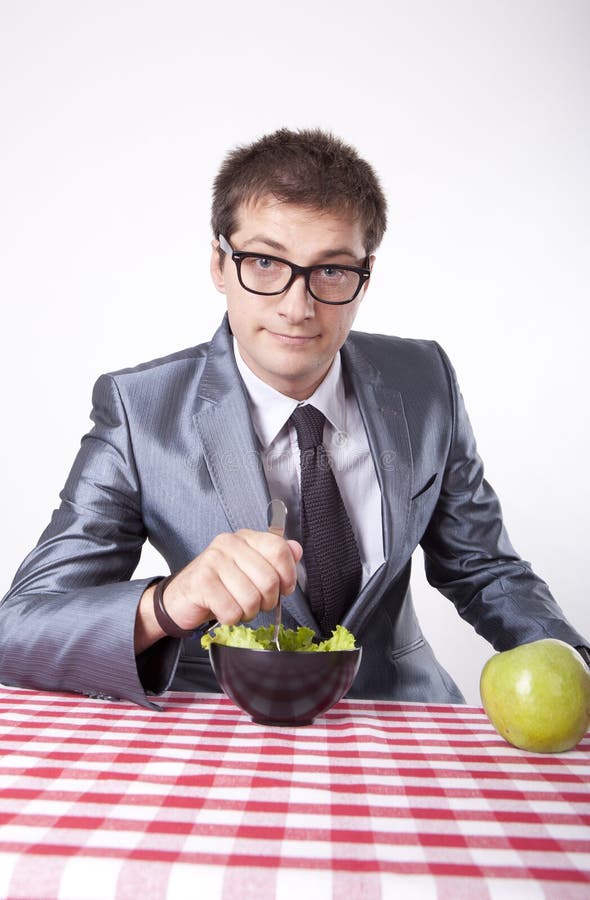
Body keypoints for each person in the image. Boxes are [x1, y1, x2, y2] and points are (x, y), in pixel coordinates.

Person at [1, 128, 588, 710]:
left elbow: (484, 569)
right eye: (263, 261)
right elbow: (17, 629)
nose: (296, 306)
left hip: (401, 713)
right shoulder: (139, 410)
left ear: (366, 275)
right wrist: (165, 603)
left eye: (331, 270)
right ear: (219, 263)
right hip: (228, 726)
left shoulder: (424, 380)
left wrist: (572, 664)